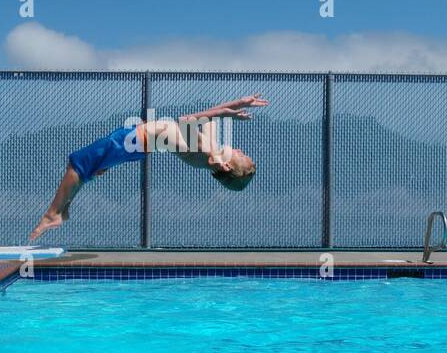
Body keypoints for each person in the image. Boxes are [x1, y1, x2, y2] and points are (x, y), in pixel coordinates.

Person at [28, 94, 267, 242]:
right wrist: (236, 104)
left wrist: (225, 113)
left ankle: (53, 214)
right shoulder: (213, 149)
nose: (241, 150)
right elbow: (208, 117)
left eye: (242, 156)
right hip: (138, 142)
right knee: (90, 168)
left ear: (226, 165)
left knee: (78, 164)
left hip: (135, 141)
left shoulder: (209, 154)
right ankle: (64, 209)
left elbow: (185, 120)